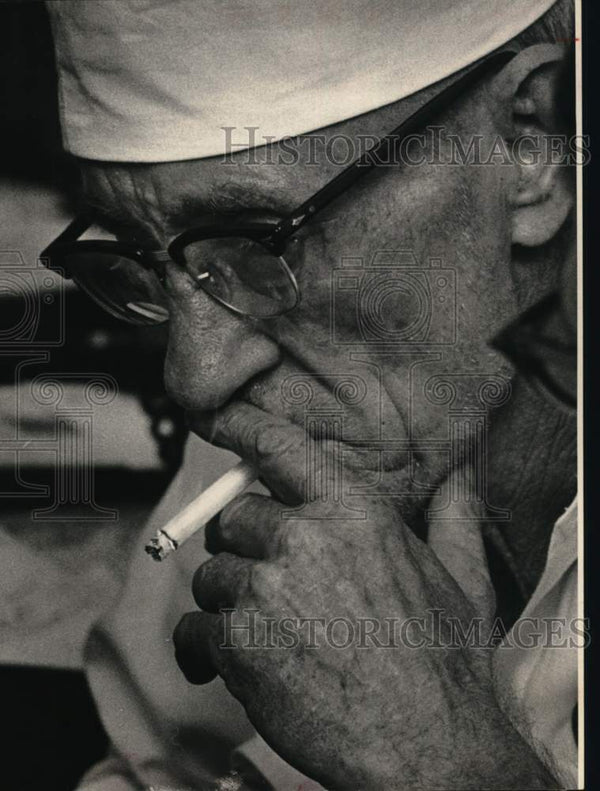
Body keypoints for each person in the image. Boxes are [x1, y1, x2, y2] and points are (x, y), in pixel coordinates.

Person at [43, 1, 580, 788]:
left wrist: (445, 763)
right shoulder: (306, 419)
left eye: (260, 246)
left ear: (529, 144)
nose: (195, 376)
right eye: (139, 261)